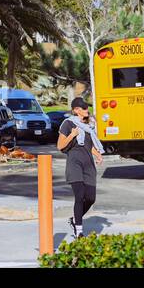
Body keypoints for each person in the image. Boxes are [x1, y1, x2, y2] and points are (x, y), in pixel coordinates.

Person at [57, 97, 104, 238]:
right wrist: (72, 134)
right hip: (74, 164)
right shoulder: (68, 124)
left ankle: (74, 220)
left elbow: (88, 145)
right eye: (83, 108)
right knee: (80, 196)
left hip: (88, 165)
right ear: (76, 110)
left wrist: (97, 154)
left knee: (90, 198)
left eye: (86, 107)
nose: (86, 110)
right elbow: (60, 146)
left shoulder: (89, 125)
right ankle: (79, 230)